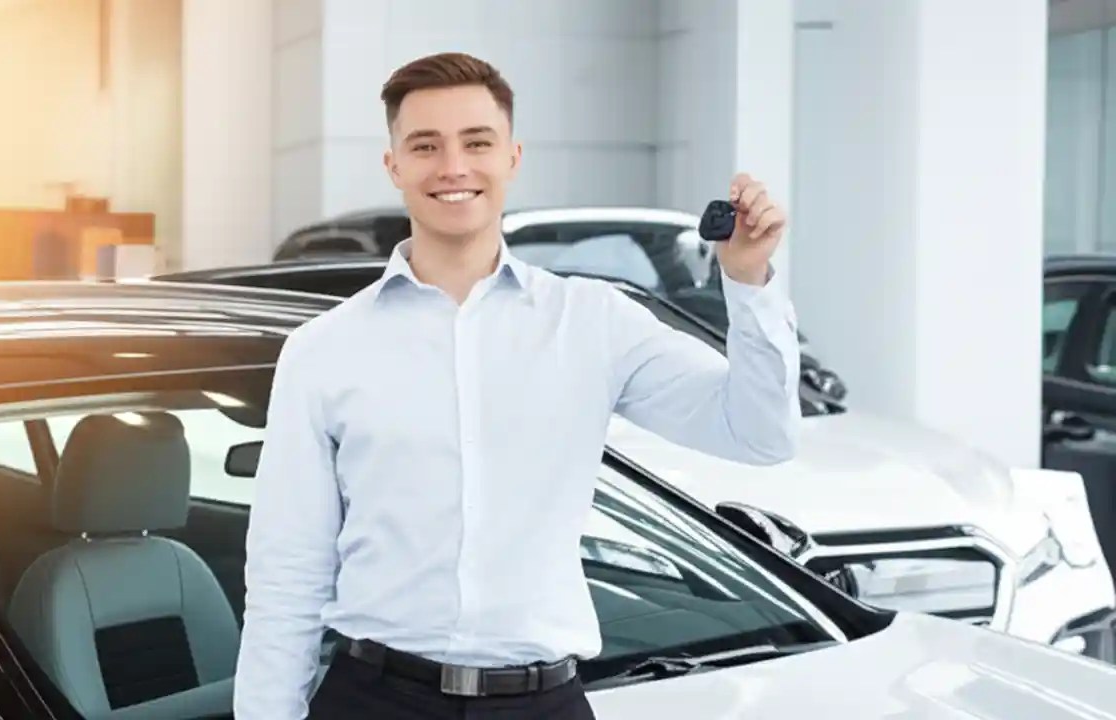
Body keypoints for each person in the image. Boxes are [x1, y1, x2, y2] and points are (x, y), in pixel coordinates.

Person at [234, 52, 800, 719]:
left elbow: (759, 434)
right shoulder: (324, 351)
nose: (453, 167)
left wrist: (748, 280)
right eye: (425, 146)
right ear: (394, 166)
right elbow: (287, 575)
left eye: (477, 143)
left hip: (542, 704)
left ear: (512, 156)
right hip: (375, 700)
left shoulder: (593, 323)